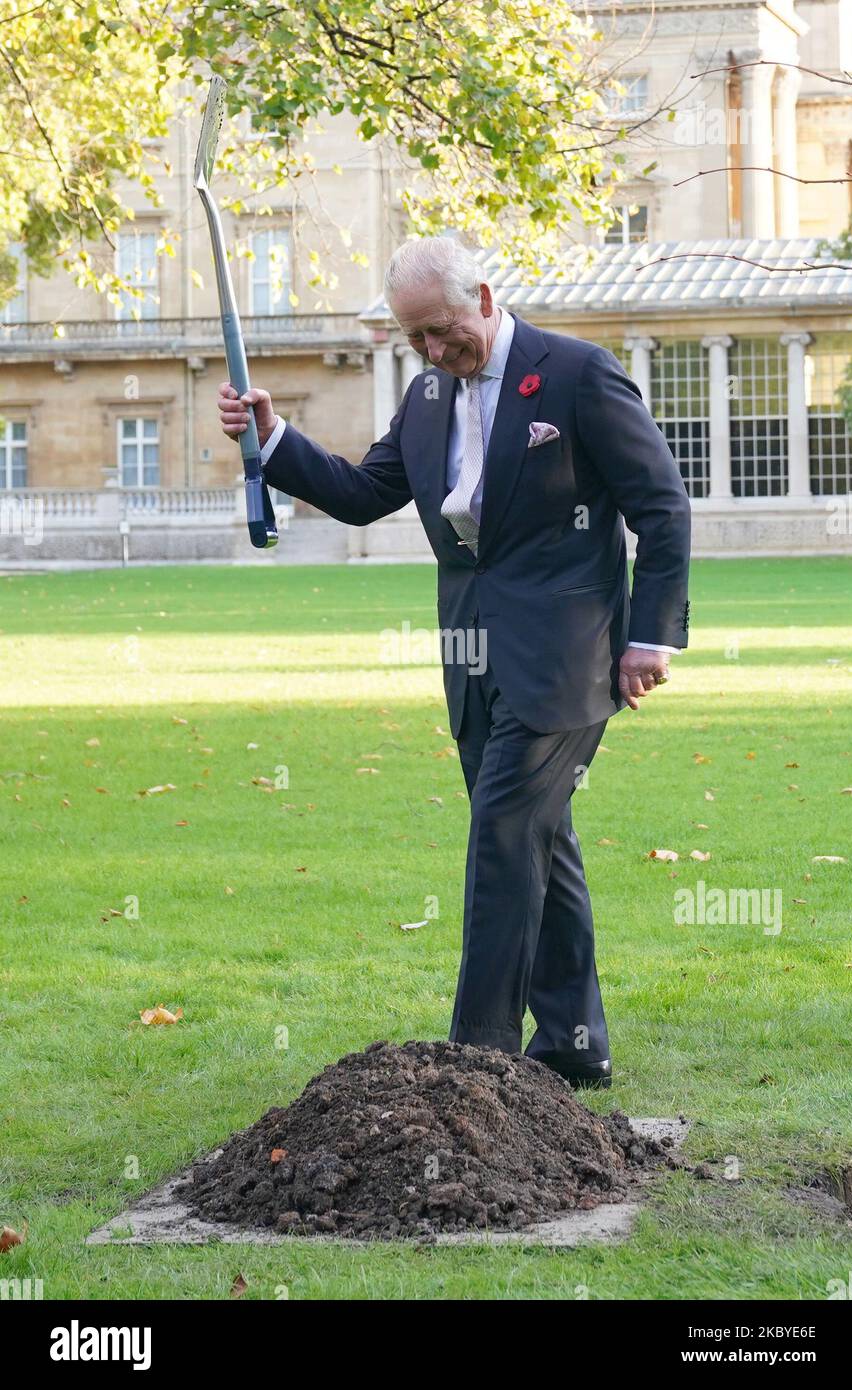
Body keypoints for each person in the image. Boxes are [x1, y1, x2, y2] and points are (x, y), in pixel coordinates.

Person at [217, 235, 691, 1089]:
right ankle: (578, 1049)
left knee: (504, 837)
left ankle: (477, 1067)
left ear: (481, 295)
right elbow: (366, 495)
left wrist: (651, 636)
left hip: (567, 660)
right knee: (543, 846)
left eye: (441, 332)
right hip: (471, 657)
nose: (435, 354)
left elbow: (660, 505)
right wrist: (275, 436)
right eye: (416, 342)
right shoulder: (429, 394)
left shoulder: (578, 374)